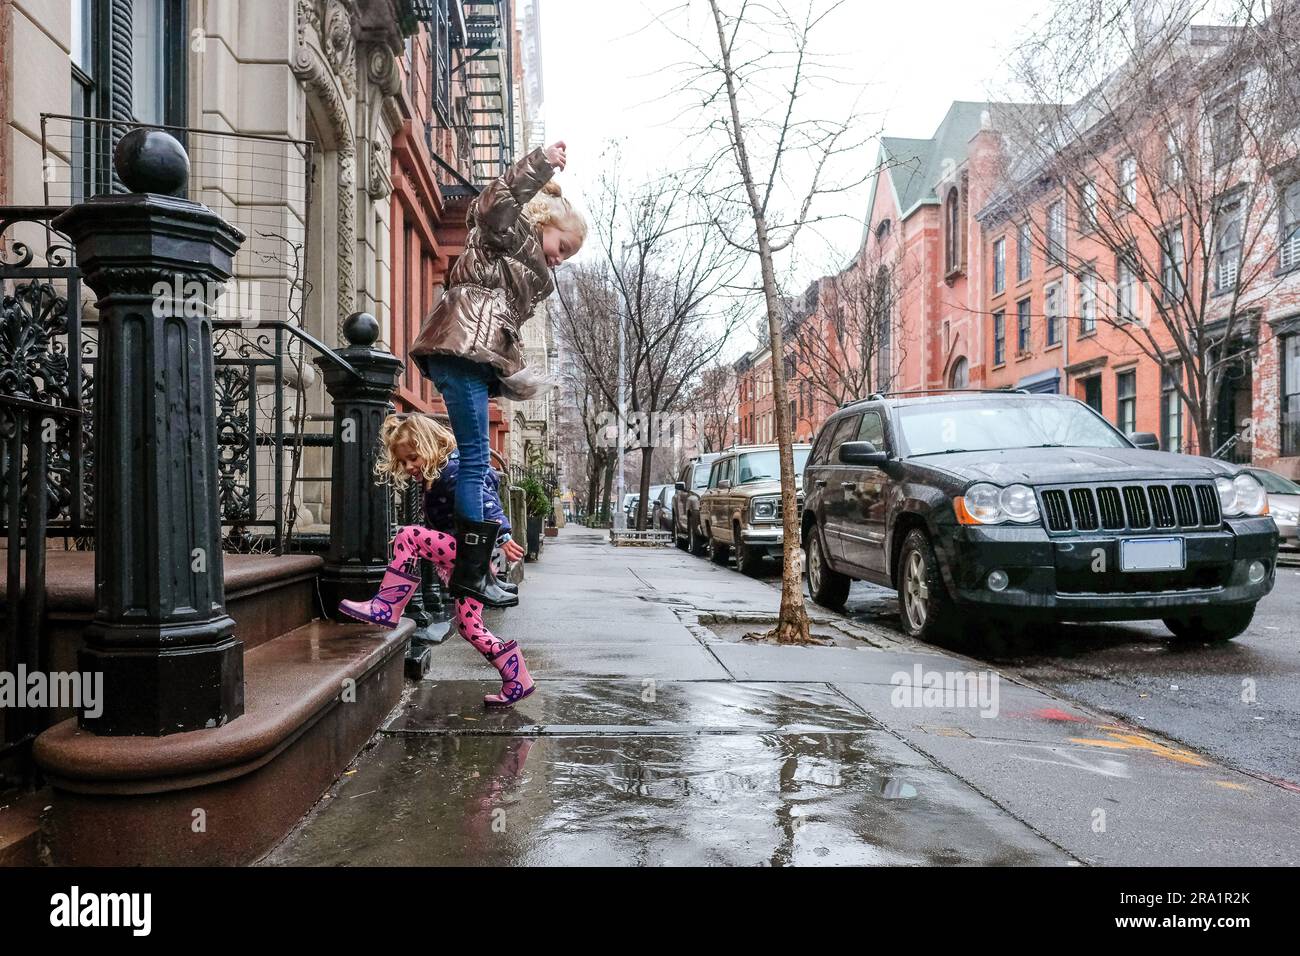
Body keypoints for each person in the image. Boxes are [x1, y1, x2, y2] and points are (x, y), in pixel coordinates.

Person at [409, 140, 585, 609]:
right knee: (474, 463)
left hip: (469, 353)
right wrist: (540, 163)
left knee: (477, 462)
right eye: (562, 245)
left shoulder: (526, 265)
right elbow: (496, 198)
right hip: (460, 348)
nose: (561, 258)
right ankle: (471, 574)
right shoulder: (508, 232)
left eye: (568, 254)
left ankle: (477, 571)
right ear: (544, 223)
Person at [339, 415, 532, 707]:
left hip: (469, 554)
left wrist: (504, 534)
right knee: (470, 628)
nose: (408, 467)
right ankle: (517, 677)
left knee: (407, 534)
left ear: (430, 446)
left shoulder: (454, 470)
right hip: (468, 563)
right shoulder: (437, 475)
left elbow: (485, 497)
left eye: (413, 458)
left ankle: (386, 606)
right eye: (403, 462)